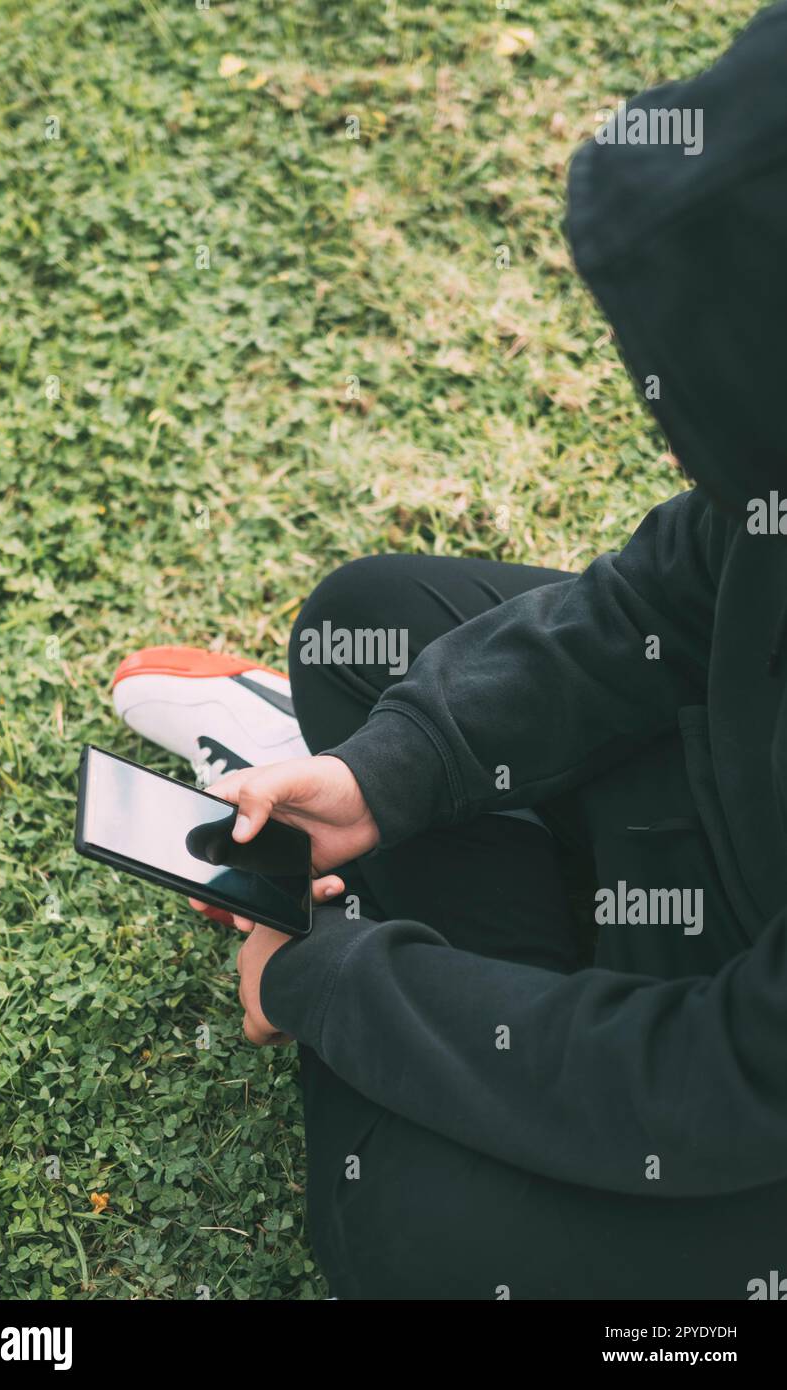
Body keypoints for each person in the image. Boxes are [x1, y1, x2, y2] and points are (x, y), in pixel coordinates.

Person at [111, 3, 787, 1298]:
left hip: (744, 1084)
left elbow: (725, 1079)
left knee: (416, 1242)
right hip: (732, 848)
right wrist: (401, 767)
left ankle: (404, 941)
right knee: (378, 626)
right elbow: (681, 588)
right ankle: (403, 883)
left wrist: (339, 985)